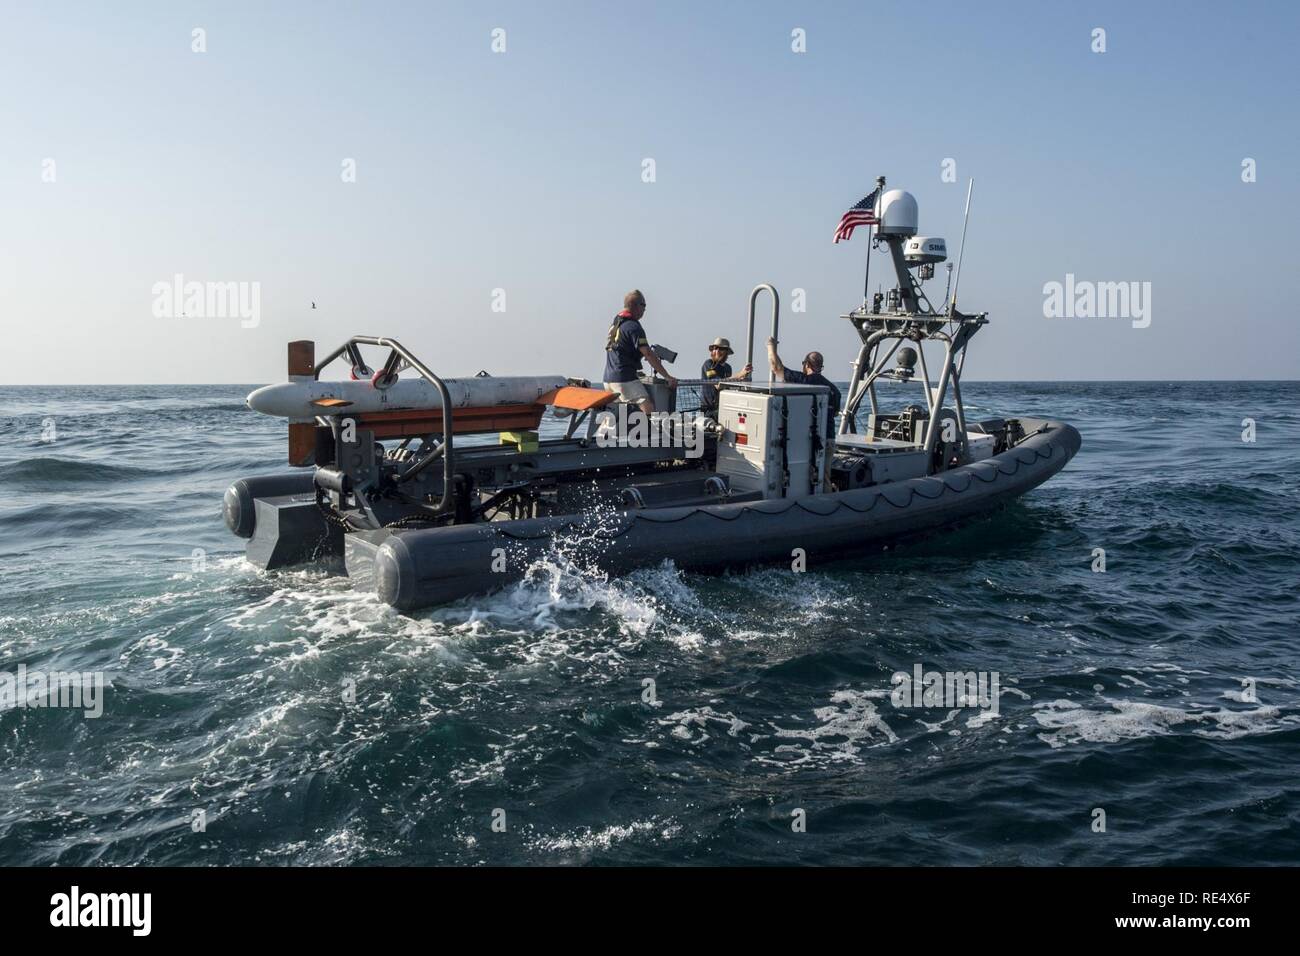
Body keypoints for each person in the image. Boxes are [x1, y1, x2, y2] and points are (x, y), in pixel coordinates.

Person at [603, 290, 677, 415]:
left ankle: (606, 434)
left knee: (616, 416)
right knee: (647, 407)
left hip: (608, 379)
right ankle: (648, 434)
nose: (644, 310)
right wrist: (667, 377)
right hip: (624, 379)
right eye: (643, 305)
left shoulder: (617, 323)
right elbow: (647, 353)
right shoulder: (634, 327)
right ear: (634, 305)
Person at [766, 337, 841, 433]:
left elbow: (776, 367)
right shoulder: (834, 390)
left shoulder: (803, 381)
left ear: (807, 365)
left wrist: (770, 346)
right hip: (828, 438)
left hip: (807, 438)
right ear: (821, 367)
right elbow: (835, 414)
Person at [699, 337, 752, 417]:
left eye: (720, 349)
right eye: (714, 348)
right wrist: (740, 374)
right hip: (708, 410)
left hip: (724, 406)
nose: (716, 351)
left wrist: (740, 379)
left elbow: (728, 384)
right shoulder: (708, 364)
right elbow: (717, 384)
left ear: (726, 352)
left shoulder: (728, 368)